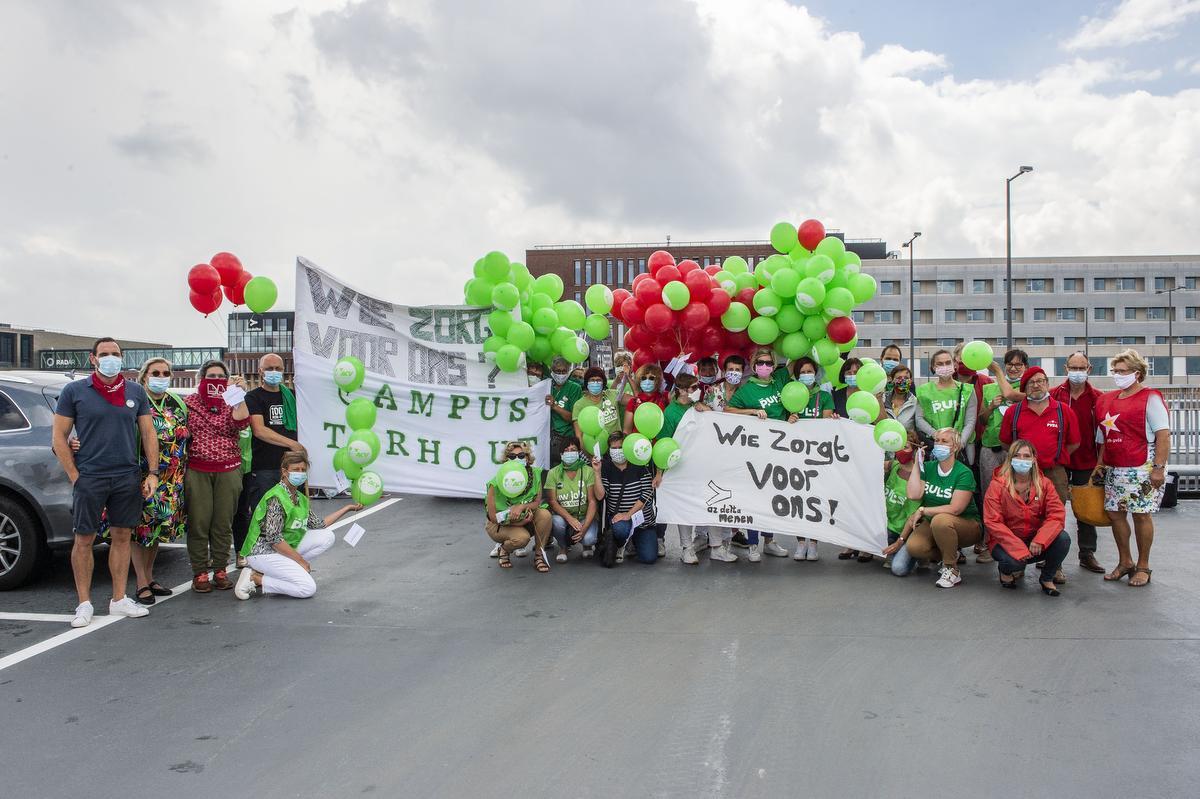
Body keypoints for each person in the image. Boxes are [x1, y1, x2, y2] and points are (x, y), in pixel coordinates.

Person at [52, 338, 157, 626]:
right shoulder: (74, 391)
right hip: (90, 475)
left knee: (122, 537)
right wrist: (75, 475)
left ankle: (119, 598)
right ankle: (84, 604)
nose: (111, 358)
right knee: (84, 539)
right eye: (105, 354)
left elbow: (148, 434)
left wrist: (152, 472)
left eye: (116, 354)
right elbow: (59, 437)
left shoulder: (135, 390)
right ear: (93, 359)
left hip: (126, 475)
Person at [103, 358, 189, 605]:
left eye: (165, 372)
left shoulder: (177, 402)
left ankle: (149, 576)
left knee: (157, 529)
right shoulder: (137, 400)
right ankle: (141, 581)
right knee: (140, 529)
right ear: (144, 376)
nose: (161, 376)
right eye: (155, 372)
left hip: (172, 479)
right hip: (143, 475)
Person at [234, 449, 361, 600]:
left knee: (327, 536)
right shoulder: (276, 497)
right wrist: (300, 561)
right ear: (284, 471)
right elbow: (274, 539)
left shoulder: (300, 498)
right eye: (296, 470)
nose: (300, 473)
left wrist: (347, 508)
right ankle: (256, 578)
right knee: (307, 588)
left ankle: (274, 571)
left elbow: (319, 525)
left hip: (281, 547)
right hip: (262, 552)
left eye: (303, 470)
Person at [1095, 349, 1171, 587]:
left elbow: (1163, 434)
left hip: (1143, 465)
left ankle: (1143, 566)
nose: (1117, 375)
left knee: (1141, 514)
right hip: (1114, 466)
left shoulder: (1150, 398)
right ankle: (1125, 561)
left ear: (1137, 373)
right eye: (1115, 371)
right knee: (1115, 514)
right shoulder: (1106, 399)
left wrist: (1158, 468)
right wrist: (1099, 463)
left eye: (1122, 371)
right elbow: (1102, 435)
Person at [999, 365, 1079, 585]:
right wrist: (1025, 462)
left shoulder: (1063, 411)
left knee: (1053, 518)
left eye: (1041, 380)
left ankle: (1054, 567)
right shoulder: (1014, 412)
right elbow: (1006, 442)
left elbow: (1074, 443)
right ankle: (1018, 561)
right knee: (1017, 517)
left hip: (1054, 473)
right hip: (1020, 474)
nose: (1036, 385)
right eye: (1031, 382)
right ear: (1024, 387)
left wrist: (1049, 459)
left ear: (1047, 383)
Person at [184, 359, 251, 592]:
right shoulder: (188, 403)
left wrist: (239, 394)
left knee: (223, 523)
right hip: (197, 469)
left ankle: (221, 568)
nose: (215, 381)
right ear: (201, 379)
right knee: (199, 522)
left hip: (228, 469)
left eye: (220, 377)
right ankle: (200, 572)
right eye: (210, 376)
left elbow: (242, 422)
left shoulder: (231, 401)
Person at [727, 348, 798, 561]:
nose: (764, 366)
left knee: (771, 498)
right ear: (753, 365)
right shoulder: (747, 390)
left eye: (768, 362)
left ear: (774, 364)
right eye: (760, 363)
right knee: (754, 497)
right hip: (755, 452)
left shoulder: (780, 379)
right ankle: (752, 545)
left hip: (779, 450)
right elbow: (729, 410)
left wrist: (791, 416)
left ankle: (769, 541)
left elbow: (796, 358)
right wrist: (751, 412)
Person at [235, 354, 304, 569]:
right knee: (261, 514)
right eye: (270, 368)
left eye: (278, 368)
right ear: (260, 371)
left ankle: (283, 557)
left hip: (291, 468)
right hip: (264, 466)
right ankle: (253, 556)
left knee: (288, 513)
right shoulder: (254, 397)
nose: (274, 372)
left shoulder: (292, 396)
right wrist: (292, 444)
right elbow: (260, 430)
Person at [663, 375, 737, 563]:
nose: (698, 389)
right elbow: (665, 442)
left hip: (705, 466)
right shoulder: (671, 413)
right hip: (681, 468)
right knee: (684, 509)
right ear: (681, 390)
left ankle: (716, 547)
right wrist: (660, 471)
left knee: (712, 504)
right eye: (694, 387)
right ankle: (687, 548)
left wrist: (708, 411)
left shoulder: (700, 407)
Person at [983, 440, 1070, 596]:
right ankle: (1006, 571)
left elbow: (1056, 515)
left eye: (1026, 456)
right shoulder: (997, 485)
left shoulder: (1045, 484)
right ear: (1009, 459)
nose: (1021, 460)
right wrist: (1017, 547)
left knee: (1063, 539)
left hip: (1034, 540)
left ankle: (1047, 578)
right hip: (1004, 541)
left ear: (1034, 460)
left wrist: (1040, 539)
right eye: (1017, 456)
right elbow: (992, 522)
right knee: (1012, 562)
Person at [899, 427, 983, 588]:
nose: (939, 444)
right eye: (937, 440)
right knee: (915, 547)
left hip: (966, 524)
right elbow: (913, 494)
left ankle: (952, 569)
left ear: (955, 447)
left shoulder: (963, 472)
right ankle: (950, 553)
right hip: (935, 521)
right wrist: (917, 464)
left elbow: (956, 509)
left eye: (944, 441)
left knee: (941, 520)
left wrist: (924, 510)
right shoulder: (929, 467)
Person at [1050, 351, 1106, 574]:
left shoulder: (1099, 398)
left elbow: (1104, 433)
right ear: (1065, 369)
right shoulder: (1054, 395)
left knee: (1087, 509)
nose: (1077, 372)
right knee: (1054, 509)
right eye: (1073, 368)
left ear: (1089, 369)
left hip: (1087, 461)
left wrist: (1101, 463)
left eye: (1081, 368)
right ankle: (1053, 554)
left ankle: (1087, 553)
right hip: (1059, 462)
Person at [592, 431, 660, 564]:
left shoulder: (639, 463)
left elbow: (647, 493)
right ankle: (621, 543)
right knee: (620, 530)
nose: (617, 451)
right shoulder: (606, 466)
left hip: (642, 521)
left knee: (649, 558)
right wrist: (597, 473)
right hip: (620, 520)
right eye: (614, 448)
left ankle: (634, 542)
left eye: (621, 447)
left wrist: (628, 514)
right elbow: (600, 496)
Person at [485, 441, 553, 572]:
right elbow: (493, 518)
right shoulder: (495, 483)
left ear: (527, 458)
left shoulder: (536, 474)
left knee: (545, 515)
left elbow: (536, 502)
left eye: (521, 455)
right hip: (500, 524)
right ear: (506, 460)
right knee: (522, 539)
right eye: (512, 457)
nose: (517, 459)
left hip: (525, 517)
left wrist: (521, 507)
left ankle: (539, 556)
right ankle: (504, 549)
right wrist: (520, 522)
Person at [546, 437, 598, 561]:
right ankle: (563, 547)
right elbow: (553, 502)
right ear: (561, 454)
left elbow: (592, 501)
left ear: (579, 452)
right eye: (566, 450)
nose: (570, 453)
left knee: (589, 538)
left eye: (573, 449)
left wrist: (585, 526)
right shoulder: (553, 473)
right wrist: (569, 519)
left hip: (584, 516)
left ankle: (587, 546)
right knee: (556, 521)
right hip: (564, 518)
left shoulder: (588, 471)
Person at [915, 350, 977, 451]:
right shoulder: (923, 391)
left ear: (954, 365)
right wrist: (936, 435)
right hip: (935, 444)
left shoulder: (967, 390)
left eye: (948, 363)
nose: (944, 366)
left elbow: (970, 421)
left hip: (961, 447)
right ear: (934, 367)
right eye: (940, 364)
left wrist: (959, 443)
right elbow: (919, 419)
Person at [880, 445, 920, 574]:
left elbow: (912, 517)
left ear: (915, 450)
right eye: (899, 446)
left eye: (906, 447)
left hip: (906, 532)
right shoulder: (893, 466)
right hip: (888, 528)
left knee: (899, 569)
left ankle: (919, 553)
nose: (901, 450)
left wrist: (900, 541)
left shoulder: (919, 476)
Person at [546, 356, 583, 467]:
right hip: (546, 438)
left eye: (564, 371)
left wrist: (555, 406)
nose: (561, 374)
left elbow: (573, 417)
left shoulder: (574, 388)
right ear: (552, 372)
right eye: (558, 371)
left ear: (568, 372)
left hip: (565, 439)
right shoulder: (546, 386)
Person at [572, 366, 622, 446]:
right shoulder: (579, 405)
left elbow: (635, 399)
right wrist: (588, 457)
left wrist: (627, 377)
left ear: (603, 383)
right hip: (593, 449)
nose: (595, 383)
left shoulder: (612, 394)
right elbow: (579, 436)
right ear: (587, 383)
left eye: (599, 380)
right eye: (592, 380)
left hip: (616, 447)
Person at [623, 362, 669, 433]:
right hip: (639, 442)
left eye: (651, 378)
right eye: (643, 378)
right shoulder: (633, 402)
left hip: (659, 442)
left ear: (658, 380)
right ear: (639, 380)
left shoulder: (664, 398)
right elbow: (626, 431)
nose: (647, 381)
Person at [882, 363, 917, 438]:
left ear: (910, 381)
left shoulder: (916, 403)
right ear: (892, 380)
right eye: (899, 377)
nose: (903, 380)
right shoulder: (882, 399)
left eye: (906, 378)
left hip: (906, 446)